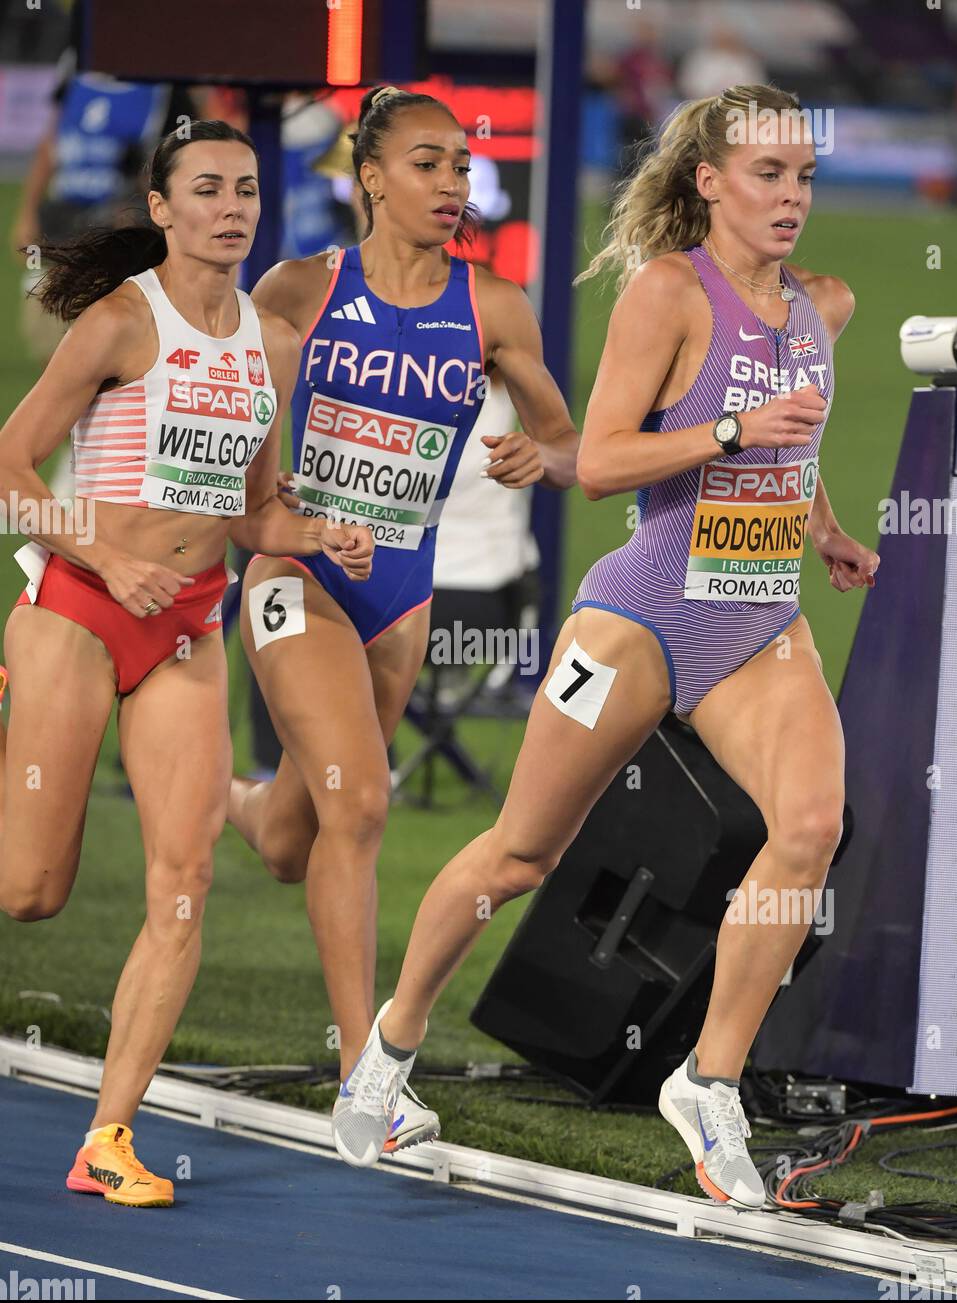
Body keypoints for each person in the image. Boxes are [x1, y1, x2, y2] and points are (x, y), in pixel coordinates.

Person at [331, 85, 880, 1207]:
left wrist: (822, 527)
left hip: (759, 617)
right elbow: (600, 459)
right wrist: (729, 427)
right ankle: (387, 1052)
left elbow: (797, 436)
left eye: (805, 177)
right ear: (710, 181)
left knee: (811, 825)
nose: (792, 198)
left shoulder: (823, 303)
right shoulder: (671, 295)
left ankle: (709, 1080)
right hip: (641, 613)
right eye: (769, 175)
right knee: (521, 852)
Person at [0, 119, 372, 1207]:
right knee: (29, 893)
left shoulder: (273, 343)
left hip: (186, 630)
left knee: (187, 878)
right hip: (77, 607)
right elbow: (11, 462)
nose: (232, 206)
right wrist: (108, 558)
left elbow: (260, 508)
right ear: (162, 209)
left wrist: (320, 531)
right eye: (207, 188)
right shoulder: (121, 320)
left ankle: (106, 1137)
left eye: (247, 188)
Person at [225, 85, 578, 1152]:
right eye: (429, 163)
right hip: (299, 581)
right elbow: (237, 462)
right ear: (370, 177)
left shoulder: (494, 308)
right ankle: (363, 1077)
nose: (452, 184)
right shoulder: (296, 290)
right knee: (363, 805)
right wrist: (291, 525)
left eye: (463, 167)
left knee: (295, 836)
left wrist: (540, 457)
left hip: (403, 600)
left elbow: (573, 444)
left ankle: (217, 799)